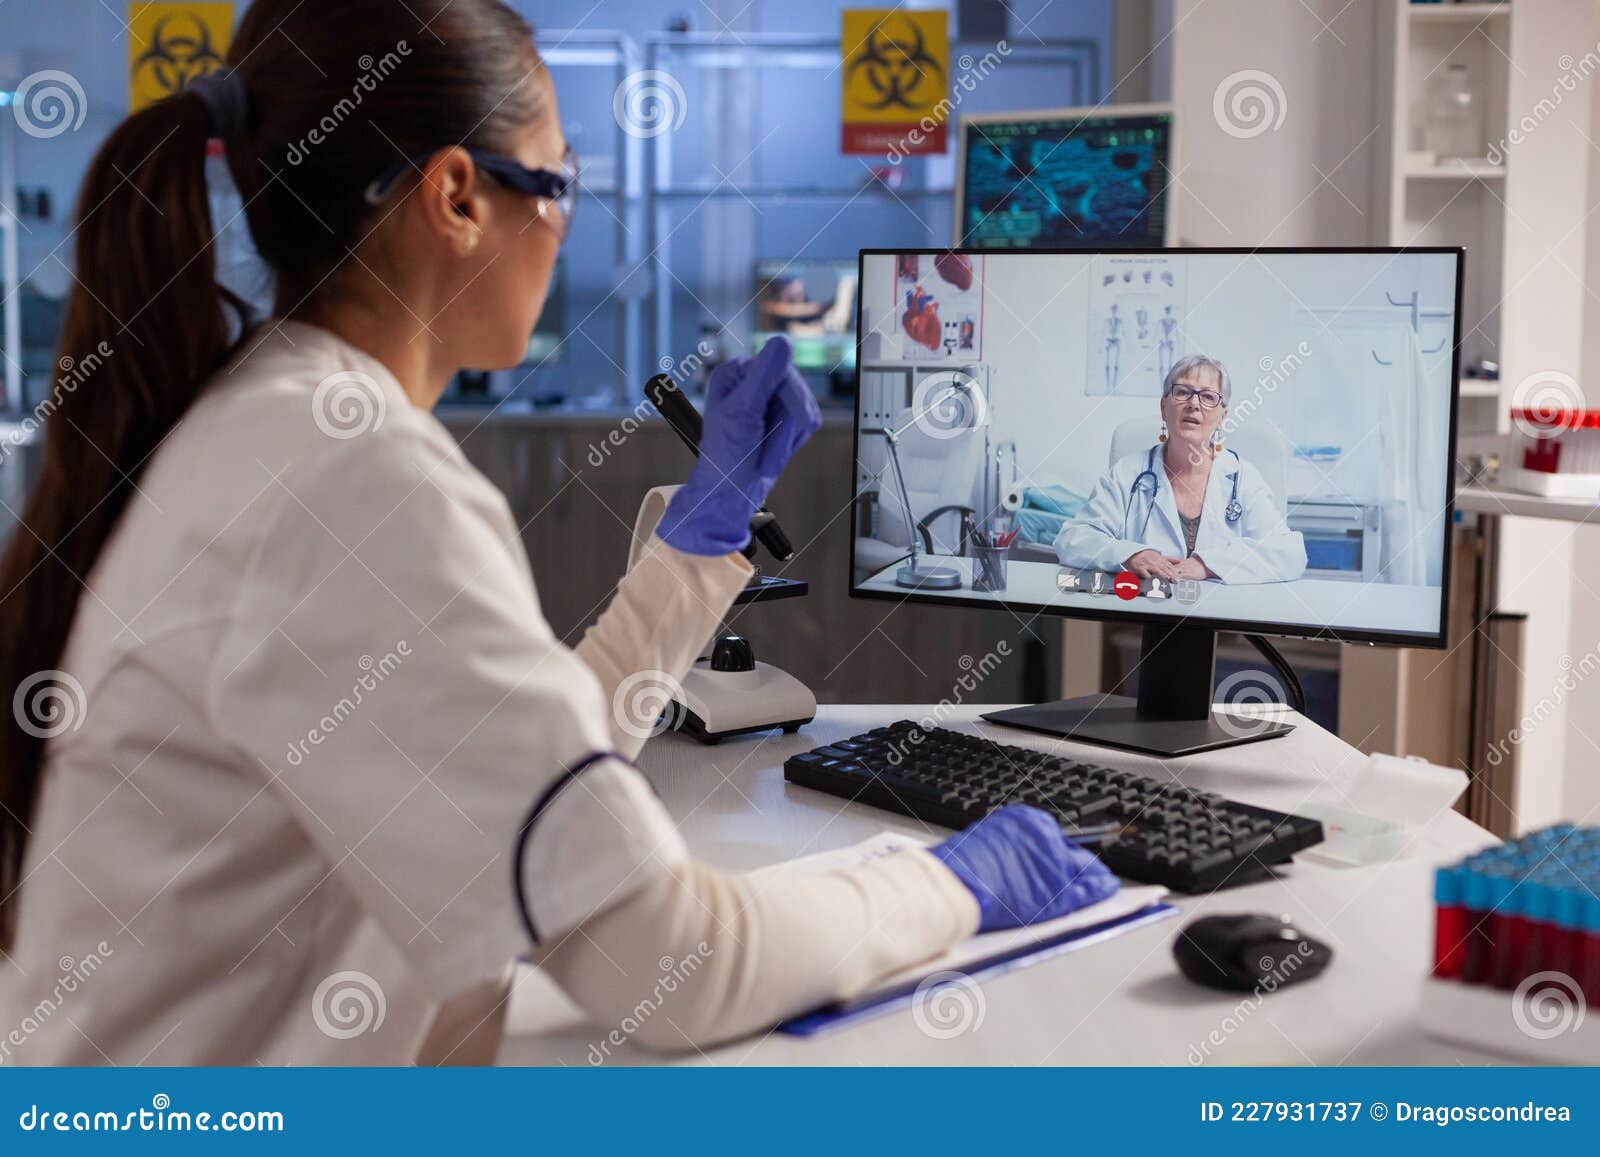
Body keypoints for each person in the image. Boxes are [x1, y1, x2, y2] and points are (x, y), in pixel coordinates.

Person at [0, 0, 1114, 1066]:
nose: (564, 221)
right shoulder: (350, 476)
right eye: (560, 183)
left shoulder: (274, 416)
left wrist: (694, 544)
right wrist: (953, 881)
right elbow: (679, 966)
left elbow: (508, 773)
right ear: (457, 197)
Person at [1055, 354, 1306, 584]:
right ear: (1164, 407)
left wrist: (1207, 565)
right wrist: (1130, 554)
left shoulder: (1242, 478)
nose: (1194, 404)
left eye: (1208, 397)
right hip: (1147, 609)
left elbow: (1289, 553)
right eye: (1183, 392)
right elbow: (1073, 539)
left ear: (1222, 416)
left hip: (1223, 614)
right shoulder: (1128, 473)